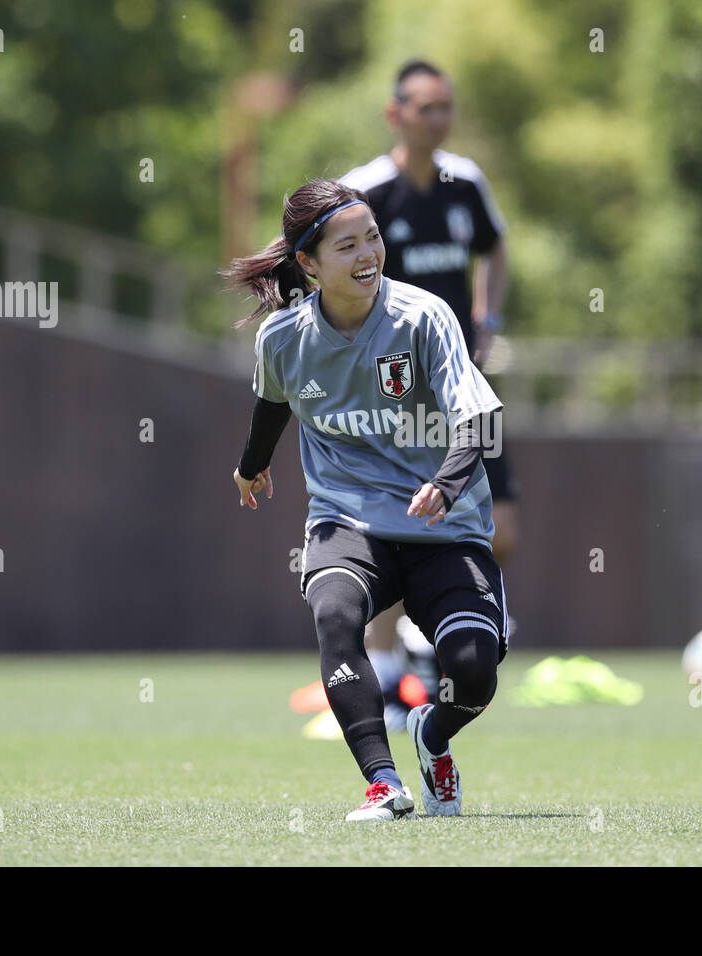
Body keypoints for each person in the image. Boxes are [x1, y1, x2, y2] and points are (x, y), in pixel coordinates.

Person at [226, 178, 509, 822]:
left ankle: (432, 736)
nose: (367, 255)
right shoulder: (284, 338)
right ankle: (383, 782)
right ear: (308, 263)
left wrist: (447, 481)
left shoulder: (423, 316)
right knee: (334, 613)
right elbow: (272, 404)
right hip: (346, 517)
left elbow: (476, 421)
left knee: (472, 671)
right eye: (347, 245)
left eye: (373, 239)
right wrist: (251, 467)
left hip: (445, 523)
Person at [339, 60, 519, 731]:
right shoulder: (366, 192)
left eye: (446, 107)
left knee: (504, 525)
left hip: (463, 386)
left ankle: (444, 631)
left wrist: (487, 319)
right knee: (388, 528)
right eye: (425, 108)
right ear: (395, 114)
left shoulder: (464, 182)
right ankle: (386, 680)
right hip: (391, 392)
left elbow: (497, 249)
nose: (438, 119)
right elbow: (317, 261)